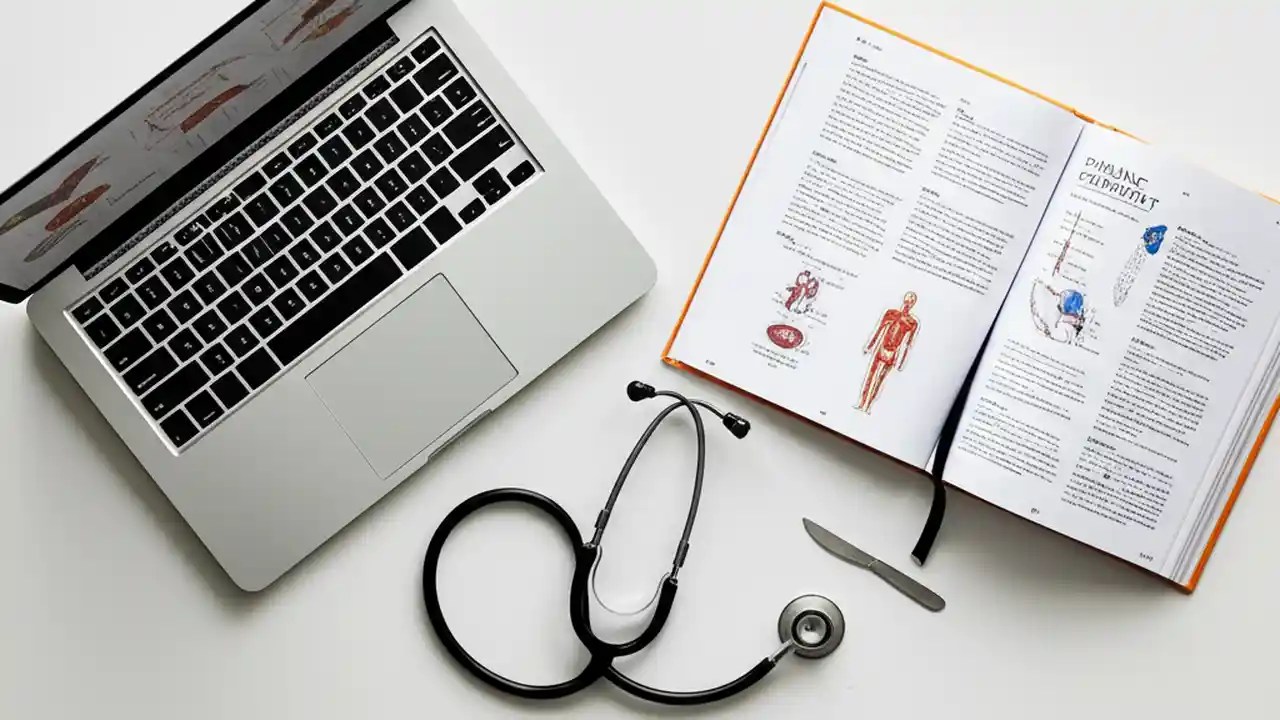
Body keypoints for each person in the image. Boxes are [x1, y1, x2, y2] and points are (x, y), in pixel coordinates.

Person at [858, 291, 919, 412]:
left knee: (880, 379)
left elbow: (908, 344)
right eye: (907, 300)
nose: (908, 303)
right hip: (881, 347)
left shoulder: (912, 323)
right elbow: (879, 330)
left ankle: (868, 406)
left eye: (911, 301)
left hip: (893, 352)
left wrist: (902, 361)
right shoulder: (891, 313)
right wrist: (870, 346)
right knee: (871, 375)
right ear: (903, 300)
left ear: (913, 304)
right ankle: (862, 403)